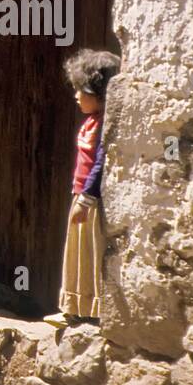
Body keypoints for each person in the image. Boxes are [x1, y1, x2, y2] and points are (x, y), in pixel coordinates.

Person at [57, 48, 121, 324]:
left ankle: (93, 310)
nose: (76, 96)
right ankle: (73, 305)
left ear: (99, 94)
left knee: (90, 252)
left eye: (81, 91)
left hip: (90, 201)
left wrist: (87, 197)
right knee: (76, 252)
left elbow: (99, 163)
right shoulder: (90, 124)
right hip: (79, 194)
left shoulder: (104, 127)